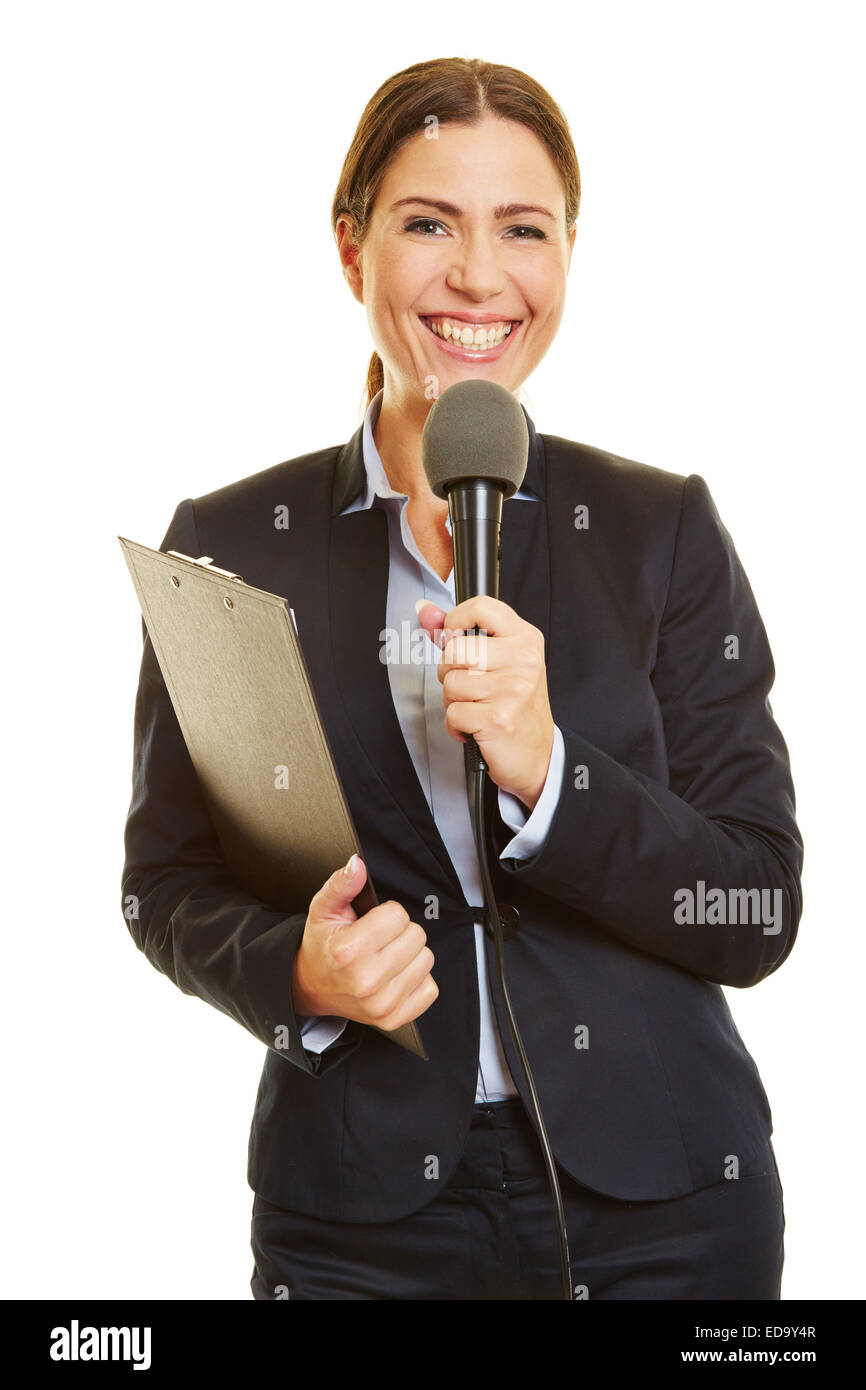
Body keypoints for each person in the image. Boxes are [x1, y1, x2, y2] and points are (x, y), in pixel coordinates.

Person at [121, 56, 803, 1300]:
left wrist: (554, 776)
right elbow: (162, 883)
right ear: (350, 249)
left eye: (522, 229)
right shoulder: (230, 544)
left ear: (565, 256)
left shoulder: (659, 530)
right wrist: (297, 975)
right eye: (428, 222)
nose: (479, 275)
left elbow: (755, 908)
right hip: (356, 1224)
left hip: (666, 1213)